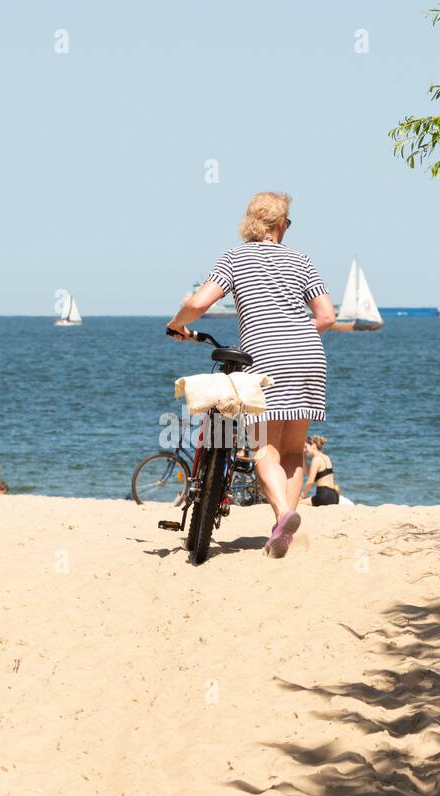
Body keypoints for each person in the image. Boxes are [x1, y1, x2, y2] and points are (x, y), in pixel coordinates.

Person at [167, 192, 336, 558]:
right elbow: (327, 317)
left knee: (264, 451)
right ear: (278, 225)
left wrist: (177, 324)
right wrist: (295, 333)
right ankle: (283, 533)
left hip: (268, 360)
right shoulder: (302, 261)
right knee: (293, 451)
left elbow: (198, 303)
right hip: (309, 357)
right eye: (287, 223)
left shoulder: (235, 257)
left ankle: (284, 515)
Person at [302, 436, 341, 506]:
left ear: (313, 446)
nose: (304, 450)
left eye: (305, 447)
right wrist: (303, 457)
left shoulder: (316, 459)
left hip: (323, 496)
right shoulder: (326, 457)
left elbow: (310, 481)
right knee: (306, 500)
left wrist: (302, 495)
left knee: (298, 503)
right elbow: (308, 473)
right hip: (334, 496)